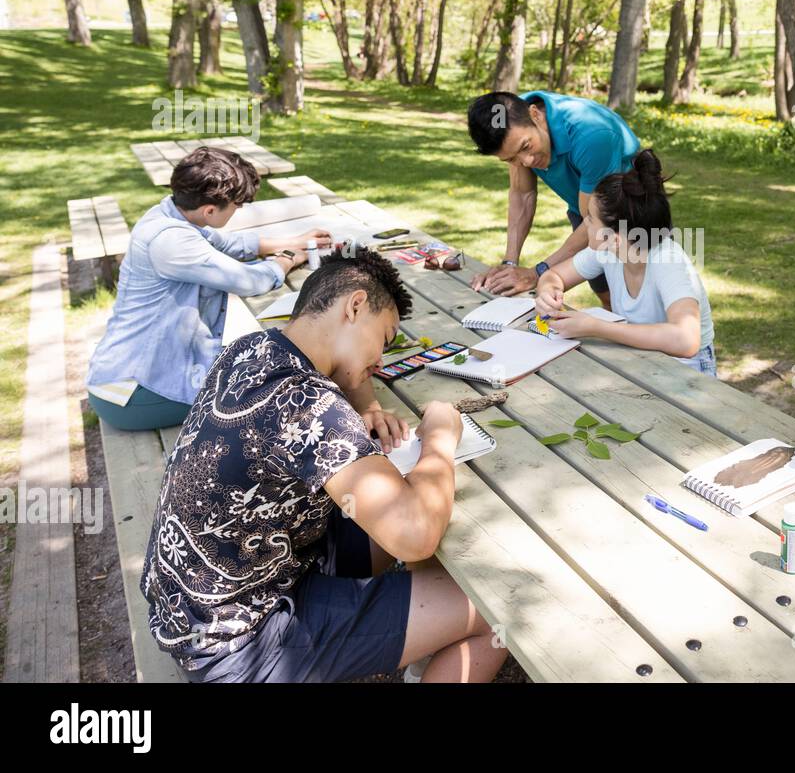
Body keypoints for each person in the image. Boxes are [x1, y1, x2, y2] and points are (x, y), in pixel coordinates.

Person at [141, 246, 508, 682]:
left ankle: (420, 642)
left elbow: (324, 393)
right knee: (493, 609)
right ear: (355, 305)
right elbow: (415, 537)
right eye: (383, 340)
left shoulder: (251, 350)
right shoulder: (311, 406)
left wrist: (366, 402)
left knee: (385, 509)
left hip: (191, 610)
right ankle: (431, 640)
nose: (379, 360)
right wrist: (441, 440)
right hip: (244, 645)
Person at [87, 147, 330, 430]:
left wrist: (294, 239)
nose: (238, 211)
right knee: (278, 384)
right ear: (210, 210)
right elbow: (250, 282)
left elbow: (227, 244)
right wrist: (289, 258)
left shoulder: (171, 214)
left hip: (145, 371)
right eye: (236, 206)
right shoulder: (171, 242)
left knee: (265, 358)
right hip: (133, 392)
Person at [533, 149, 716, 376]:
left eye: (590, 218)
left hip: (688, 372)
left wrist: (595, 327)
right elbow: (555, 275)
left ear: (615, 238)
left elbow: (686, 341)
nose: (584, 224)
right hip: (641, 358)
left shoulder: (667, 261)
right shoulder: (609, 250)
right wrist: (547, 293)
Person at [466, 90, 640, 309]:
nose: (527, 162)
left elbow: (594, 220)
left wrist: (538, 272)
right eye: (511, 159)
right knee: (607, 297)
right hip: (587, 209)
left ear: (536, 115)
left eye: (526, 147)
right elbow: (522, 193)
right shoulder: (510, 120)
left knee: (637, 301)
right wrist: (509, 264)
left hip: (634, 212)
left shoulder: (592, 135)